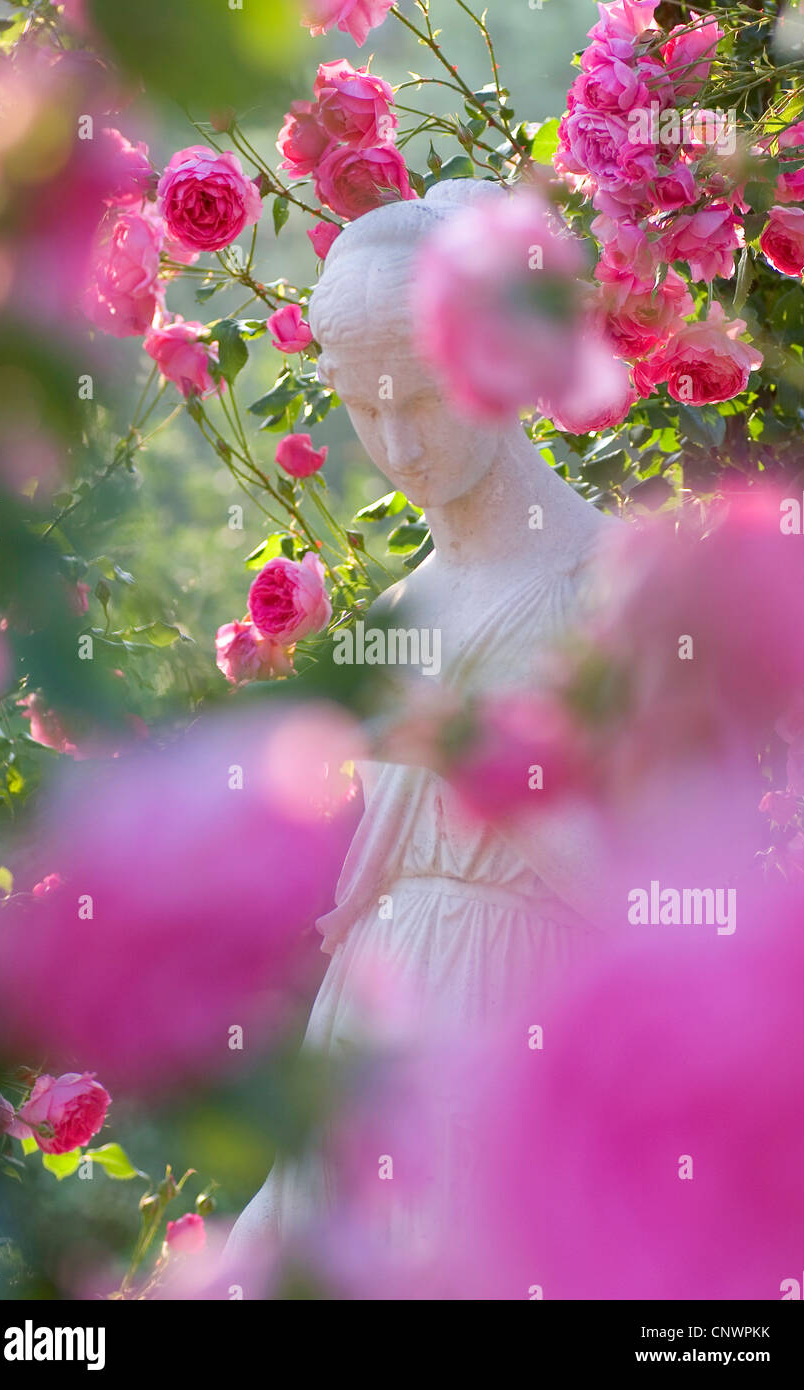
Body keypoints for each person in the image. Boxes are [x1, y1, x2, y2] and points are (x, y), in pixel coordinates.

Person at [225, 180, 617, 1268]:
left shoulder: (612, 586)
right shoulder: (398, 613)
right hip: (369, 1047)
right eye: (364, 403)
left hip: (516, 1039)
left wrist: (478, 759)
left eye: (422, 394)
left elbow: (667, 898)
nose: (397, 441)